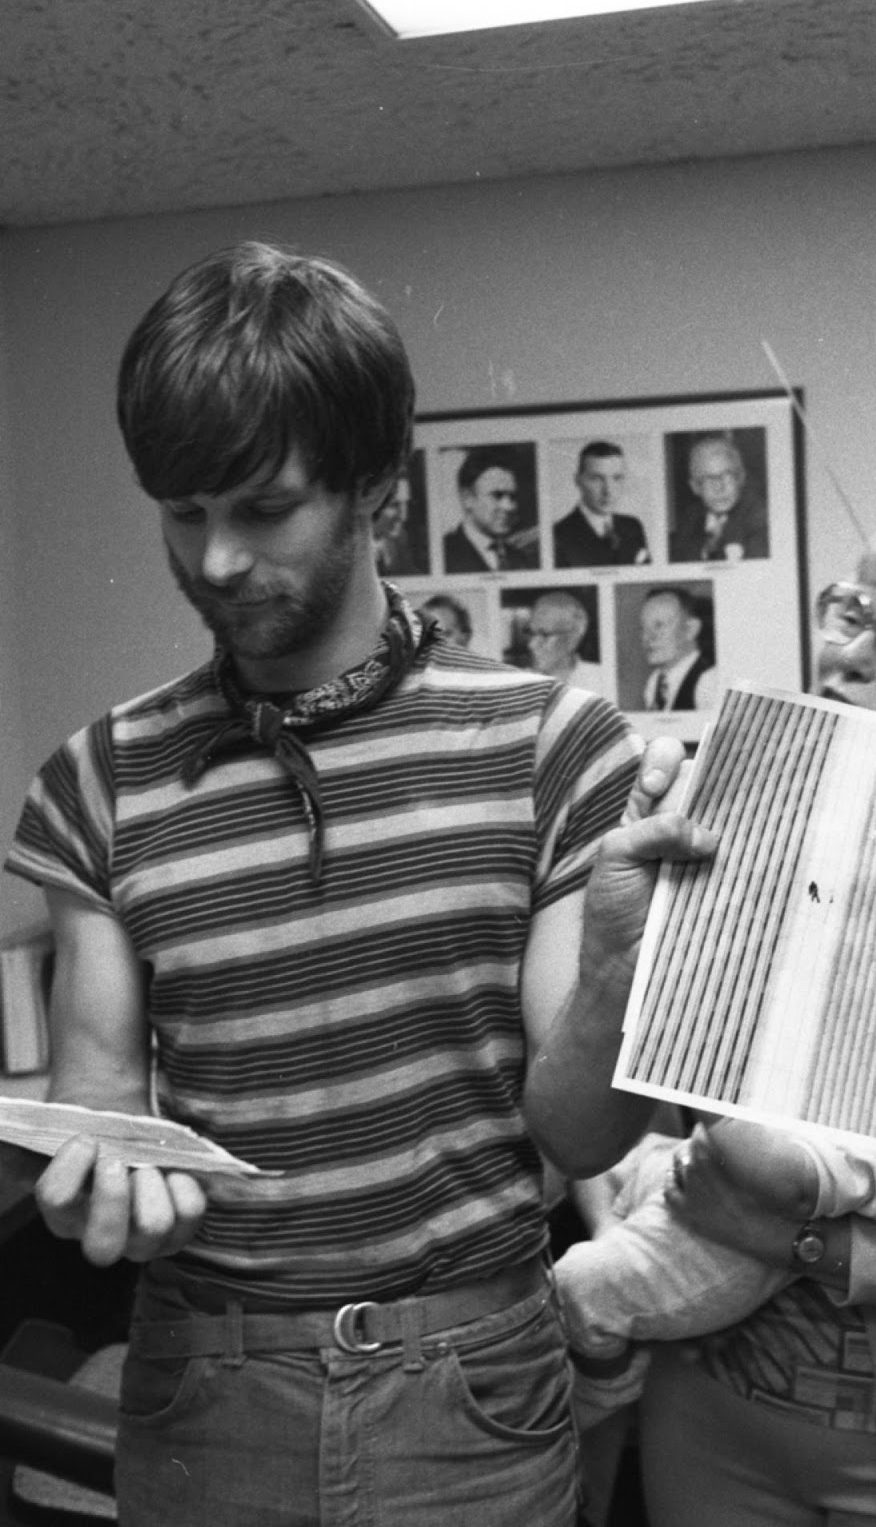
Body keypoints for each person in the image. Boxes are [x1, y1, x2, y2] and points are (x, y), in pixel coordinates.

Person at [3, 239, 703, 1527]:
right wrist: (112, 1194)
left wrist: (616, 949)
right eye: (181, 509)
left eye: (262, 510)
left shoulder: (548, 743)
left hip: (473, 1384)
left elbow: (580, 1136)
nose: (214, 562)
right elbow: (97, 1099)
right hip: (207, 1388)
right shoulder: (97, 778)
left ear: (379, 492)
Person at [562, 512, 876, 1527]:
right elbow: (628, 1128)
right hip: (704, 1409)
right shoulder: (743, 812)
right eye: (854, 613)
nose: (854, 652)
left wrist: (802, 1242)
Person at [669, 431, 769, 563]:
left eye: (726, 476)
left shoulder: (760, 518)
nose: (719, 488)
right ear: (695, 487)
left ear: (741, 478)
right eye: (709, 479)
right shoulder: (689, 521)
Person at [553, 441, 650, 568]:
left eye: (616, 478)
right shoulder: (558, 535)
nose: (608, 490)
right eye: (596, 479)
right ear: (578, 481)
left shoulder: (633, 526)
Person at [442, 448, 539, 572]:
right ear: (467, 498)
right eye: (497, 495)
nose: (509, 506)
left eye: (512, 497)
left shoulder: (522, 560)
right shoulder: (441, 555)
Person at [630, 585, 717, 712]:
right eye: (643, 628)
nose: (648, 637)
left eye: (659, 626)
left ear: (691, 629)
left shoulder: (709, 680)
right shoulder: (654, 681)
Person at [527, 590, 603, 693]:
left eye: (544, 634)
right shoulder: (517, 683)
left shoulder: (602, 681)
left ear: (573, 638)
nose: (531, 645)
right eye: (531, 633)